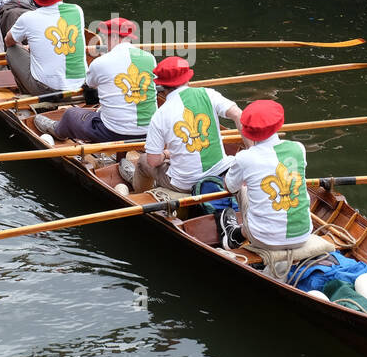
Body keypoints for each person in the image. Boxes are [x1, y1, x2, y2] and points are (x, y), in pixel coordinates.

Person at [219, 99, 331, 272]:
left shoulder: (244, 158)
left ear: (247, 130)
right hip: (303, 235)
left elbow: (229, 187)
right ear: (279, 124)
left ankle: (237, 235)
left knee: (242, 188)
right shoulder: (298, 148)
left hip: (264, 239)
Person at [119, 56, 242, 194]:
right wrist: (252, 150)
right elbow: (239, 115)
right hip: (222, 171)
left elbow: (153, 161)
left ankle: (139, 194)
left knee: (143, 161)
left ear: (161, 86)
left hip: (185, 184)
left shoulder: (160, 115)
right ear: (187, 79)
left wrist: (166, 154)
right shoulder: (208, 94)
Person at [33, 17, 156, 142]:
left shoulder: (100, 62)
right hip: (149, 132)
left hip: (112, 132)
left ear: (113, 37)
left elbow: (89, 85)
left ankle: (58, 130)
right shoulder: (150, 58)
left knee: (70, 114)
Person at [4, 0, 87, 96]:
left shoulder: (28, 18)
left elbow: (8, 41)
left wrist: (27, 48)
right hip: (80, 86)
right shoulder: (77, 10)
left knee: (12, 50)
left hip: (47, 91)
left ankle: (27, 94)